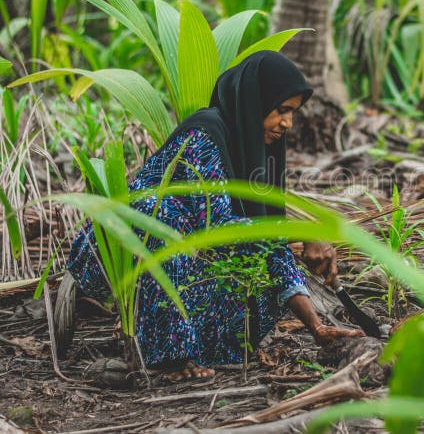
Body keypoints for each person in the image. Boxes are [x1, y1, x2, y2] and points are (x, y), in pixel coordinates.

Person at [65, 51, 362, 380]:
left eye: (292, 113)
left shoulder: (258, 152)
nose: (287, 124)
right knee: (162, 216)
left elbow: (266, 242)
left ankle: (205, 347)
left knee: (254, 260)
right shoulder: (203, 135)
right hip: (116, 253)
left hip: (181, 259)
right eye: (281, 110)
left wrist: (316, 326)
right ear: (256, 102)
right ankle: (169, 356)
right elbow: (219, 228)